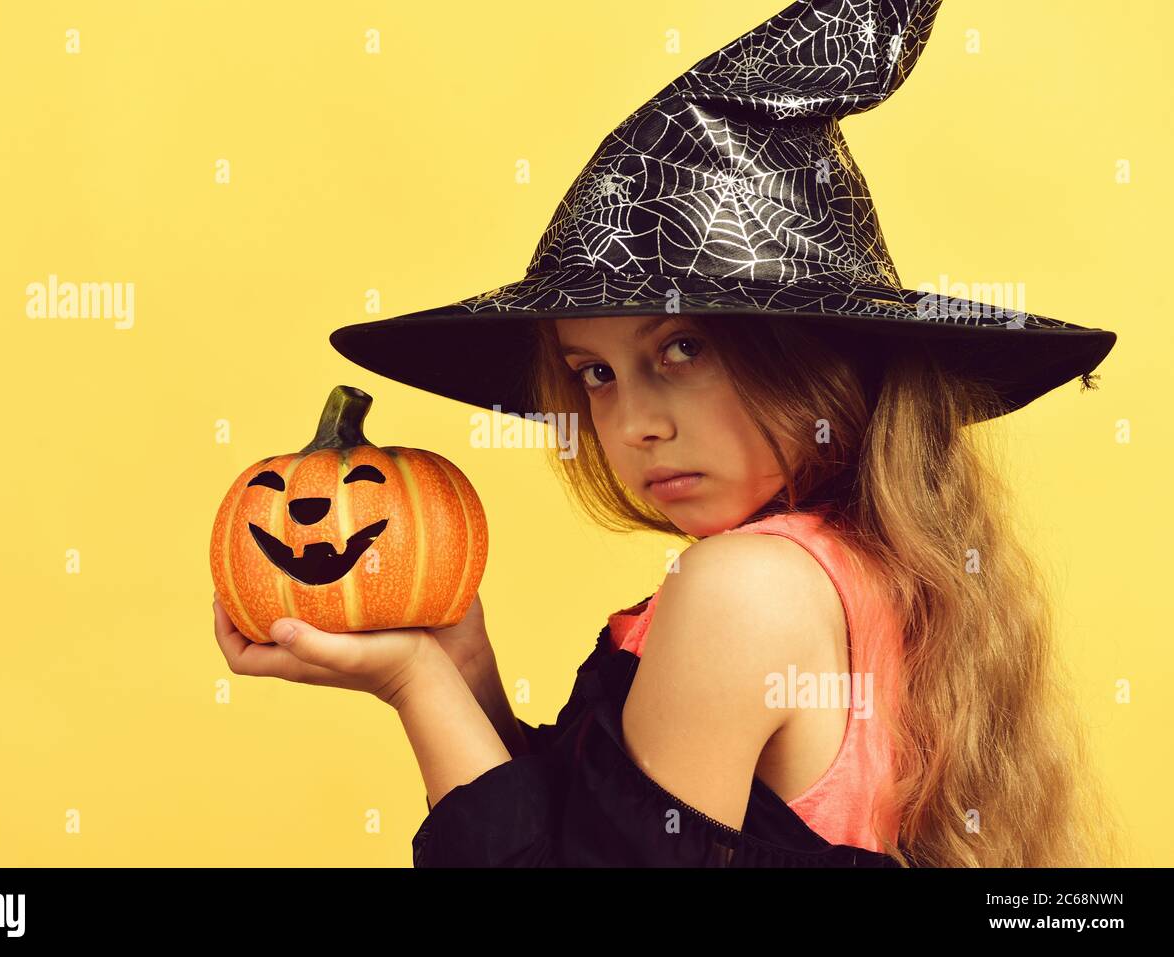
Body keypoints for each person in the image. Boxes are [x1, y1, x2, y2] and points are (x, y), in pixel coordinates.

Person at [216, 0, 1123, 866]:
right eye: (595, 373)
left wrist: (413, 682)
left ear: (823, 358)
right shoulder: (862, 572)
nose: (635, 422)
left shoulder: (742, 591)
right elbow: (590, 839)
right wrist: (463, 671)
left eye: (682, 347)